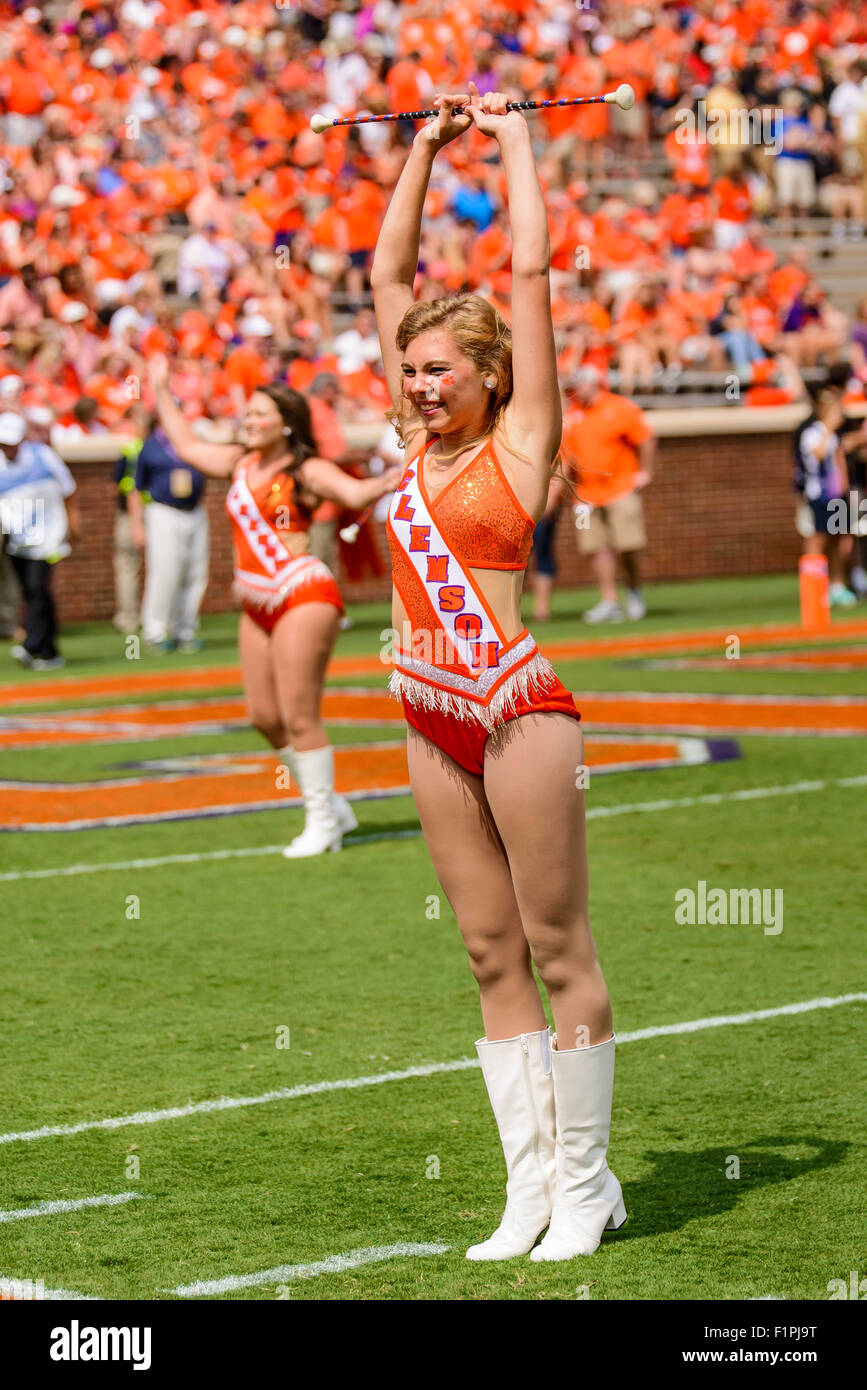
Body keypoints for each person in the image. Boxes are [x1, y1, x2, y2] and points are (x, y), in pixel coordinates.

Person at [371, 84, 626, 1263]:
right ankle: (526, 1191)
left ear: (488, 375)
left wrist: (515, 137)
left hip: (519, 708)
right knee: (486, 952)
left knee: (557, 943)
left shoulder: (524, 443)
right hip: (428, 715)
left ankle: (587, 1186)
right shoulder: (411, 447)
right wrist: (423, 148)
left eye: (440, 371)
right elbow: (385, 279)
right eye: (411, 371)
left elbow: (531, 275)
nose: (421, 385)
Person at [150, 358, 400, 857]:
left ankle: (323, 820)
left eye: (261, 414)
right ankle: (330, 801)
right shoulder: (237, 464)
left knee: (300, 714)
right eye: (248, 413)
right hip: (255, 600)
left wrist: (402, 471)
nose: (250, 420)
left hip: (301, 592)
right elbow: (186, 443)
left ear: (285, 422)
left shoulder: (306, 469)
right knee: (263, 715)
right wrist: (159, 388)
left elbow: (355, 492)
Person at [561, 365, 655, 623]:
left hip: (621, 487)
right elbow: (566, 458)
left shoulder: (620, 407)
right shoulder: (573, 415)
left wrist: (645, 472)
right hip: (586, 493)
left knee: (629, 544)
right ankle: (609, 600)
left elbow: (646, 438)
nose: (577, 389)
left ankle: (634, 590)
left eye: (581, 383)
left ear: (595, 383)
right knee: (595, 547)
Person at [0, 411, 79, 670]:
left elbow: (69, 490)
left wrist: (74, 525)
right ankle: (49, 650)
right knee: (35, 593)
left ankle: (33, 644)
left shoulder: (43, 456)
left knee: (37, 588)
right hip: (17, 540)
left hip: (48, 537)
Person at [134, 417, 211, 653]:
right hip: (164, 510)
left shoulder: (193, 442)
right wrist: (137, 524)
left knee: (196, 572)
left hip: (194, 510)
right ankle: (154, 631)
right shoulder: (151, 445)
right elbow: (137, 487)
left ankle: (184, 630)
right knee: (165, 571)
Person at [793, 373, 857, 608]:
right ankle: (813, 588)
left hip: (836, 494)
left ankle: (837, 585)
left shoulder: (834, 435)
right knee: (818, 540)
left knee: (839, 539)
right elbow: (817, 454)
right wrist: (829, 429)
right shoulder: (813, 432)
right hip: (818, 494)